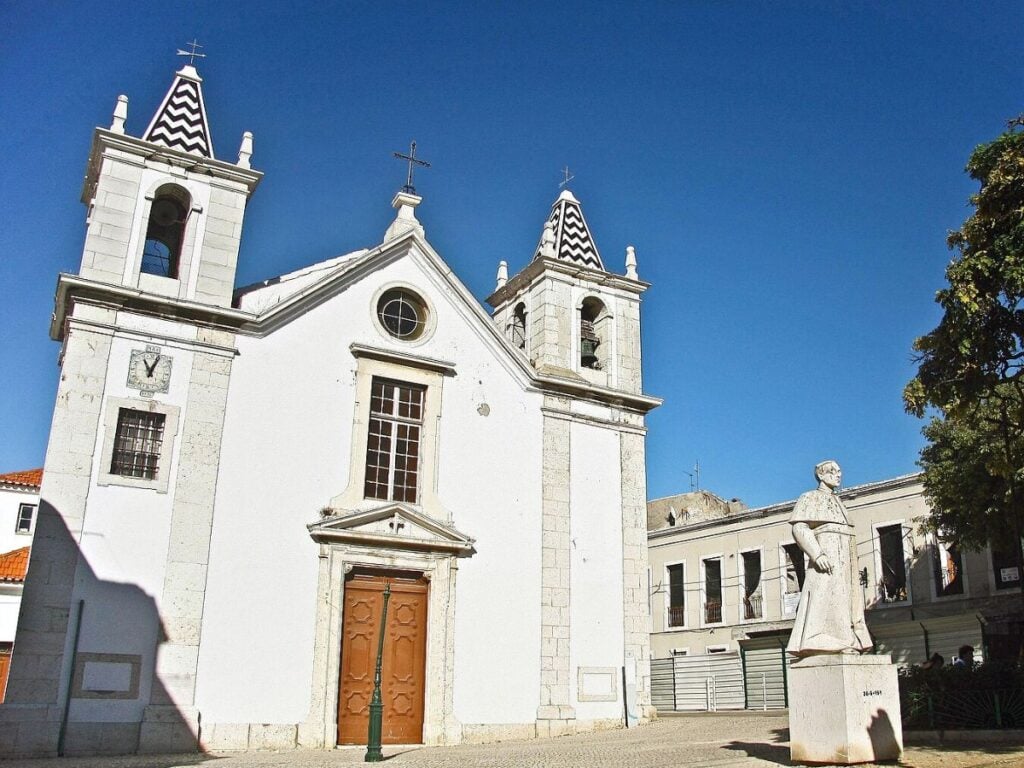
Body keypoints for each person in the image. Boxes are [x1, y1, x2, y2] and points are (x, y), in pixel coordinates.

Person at [786, 460, 873, 657]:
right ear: (821, 476)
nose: (839, 475)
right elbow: (799, 527)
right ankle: (822, 640)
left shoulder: (839, 501)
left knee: (847, 601)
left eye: (840, 471)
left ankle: (850, 640)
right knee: (825, 600)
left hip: (846, 559)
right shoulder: (810, 498)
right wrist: (817, 554)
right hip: (827, 558)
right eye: (833, 472)